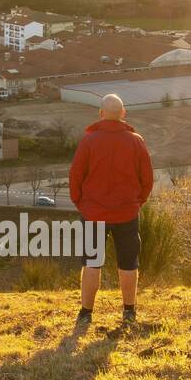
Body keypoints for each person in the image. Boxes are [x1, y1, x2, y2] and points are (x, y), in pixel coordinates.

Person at [67, 93, 153, 327]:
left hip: (93, 213)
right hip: (127, 213)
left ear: (101, 113)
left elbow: (75, 176)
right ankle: (129, 311)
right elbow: (147, 179)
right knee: (128, 263)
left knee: (92, 263)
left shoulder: (89, 140)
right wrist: (137, 203)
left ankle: (86, 313)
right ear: (123, 113)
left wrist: (81, 203)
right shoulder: (136, 141)